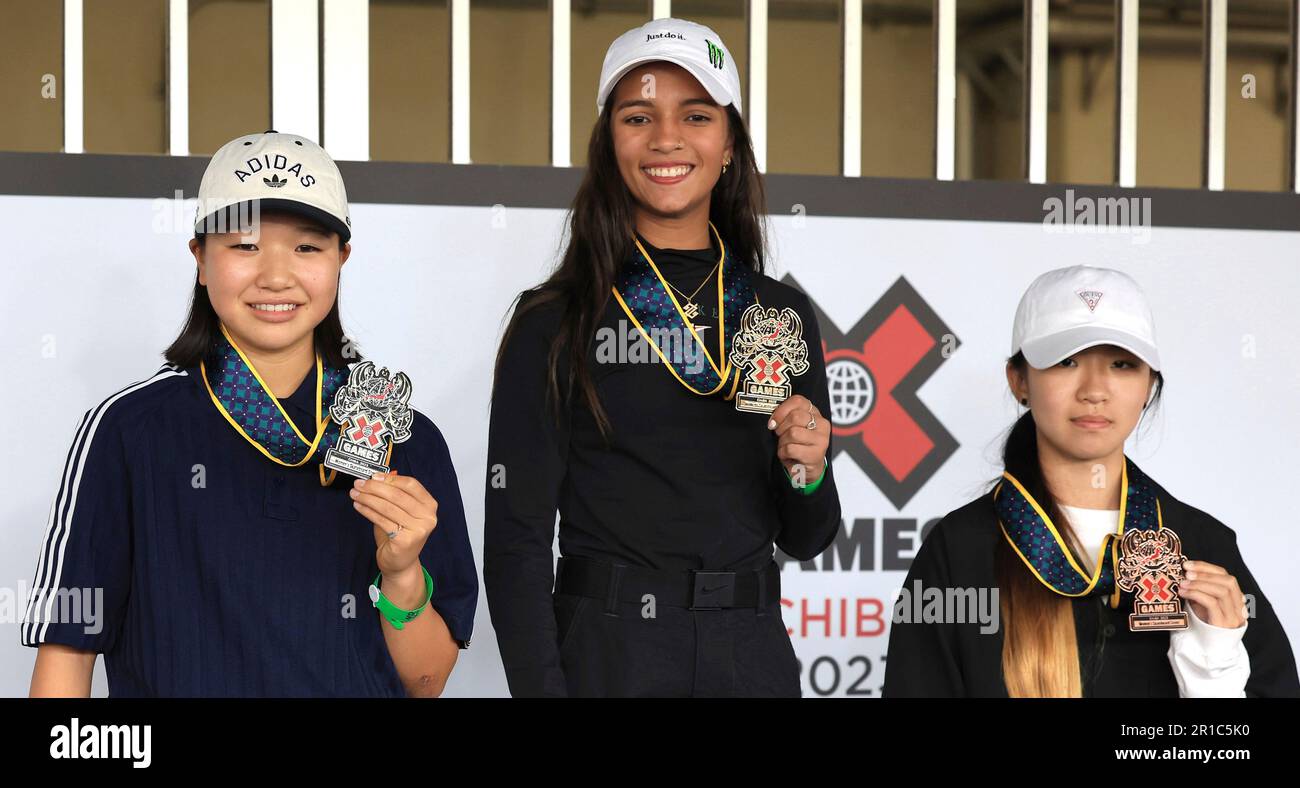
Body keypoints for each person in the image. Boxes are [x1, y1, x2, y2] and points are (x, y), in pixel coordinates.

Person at [22, 131, 478, 697]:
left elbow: (425, 683)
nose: (276, 276)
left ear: (342, 259)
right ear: (201, 260)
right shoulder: (127, 431)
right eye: (244, 246)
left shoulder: (402, 442)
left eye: (308, 248)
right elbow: (67, 651)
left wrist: (402, 573)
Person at [484, 18, 841, 697]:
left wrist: (808, 470)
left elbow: (808, 535)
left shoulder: (775, 315)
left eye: (696, 114)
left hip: (752, 653)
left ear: (729, 141)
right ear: (609, 141)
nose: (667, 139)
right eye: (638, 116)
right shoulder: (553, 320)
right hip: (610, 652)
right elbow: (516, 547)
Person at [883, 265, 1299, 697]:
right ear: (1019, 380)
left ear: (1148, 385)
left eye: (1122, 364)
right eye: (1067, 361)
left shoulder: (1202, 547)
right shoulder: (960, 549)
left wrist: (1215, 667)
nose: (1095, 390)